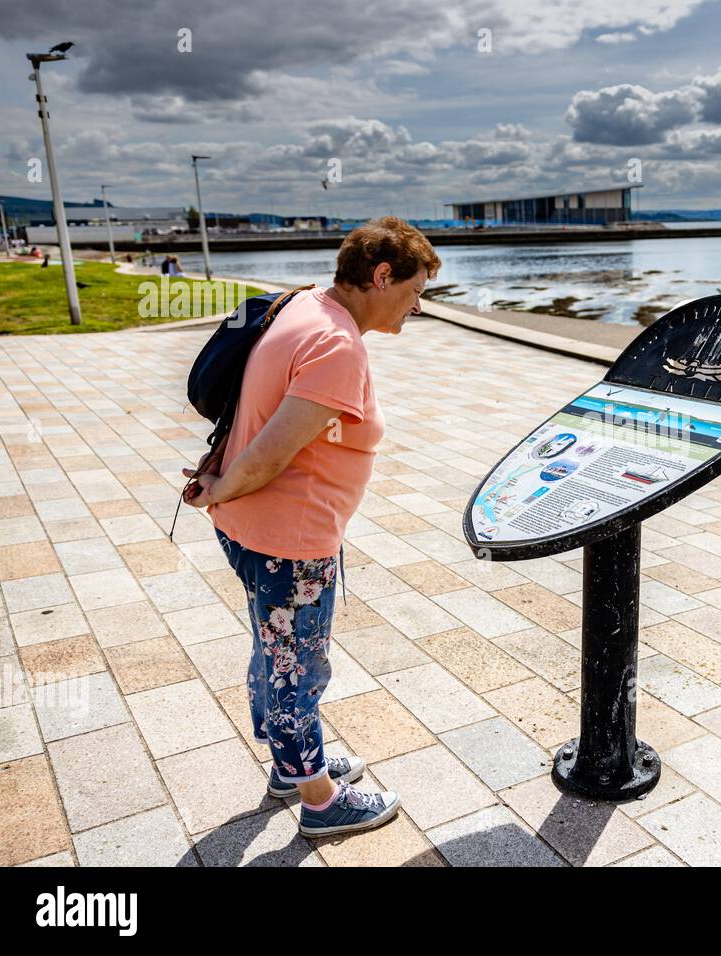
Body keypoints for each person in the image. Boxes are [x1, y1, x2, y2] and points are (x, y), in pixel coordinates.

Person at [182, 216, 441, 837]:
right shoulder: (337, 345)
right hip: (287, 539)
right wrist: (223, 483)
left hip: (251, 527)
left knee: (272, 650)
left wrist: (222, 486)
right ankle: (321, 800)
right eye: (414, 290)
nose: (417, 306)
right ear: (382, 276)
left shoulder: (303, 307)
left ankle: (288, 769)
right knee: (298, 666)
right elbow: (275, 449)